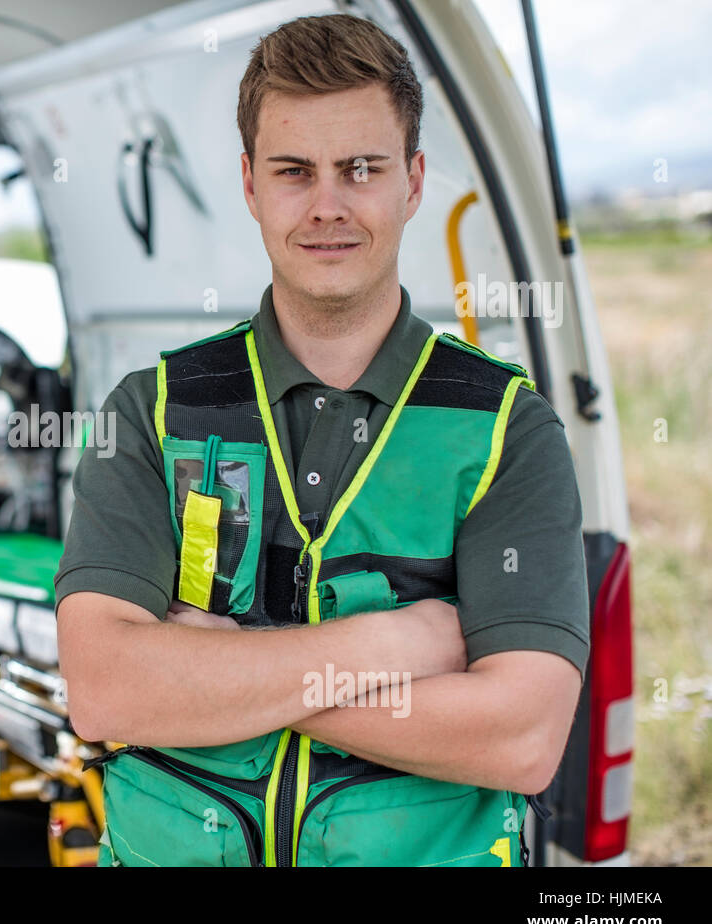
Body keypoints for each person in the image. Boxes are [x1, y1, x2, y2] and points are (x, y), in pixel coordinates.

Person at [54, 13, 589, 867]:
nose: (328, 205)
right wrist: (394, 647)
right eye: (295, 171)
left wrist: (216, 678)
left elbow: (519, 737)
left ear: (413, 182)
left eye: (362, 169)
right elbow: (107, 691)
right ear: (251, 185)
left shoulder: (504, 430)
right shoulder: (149, 411)